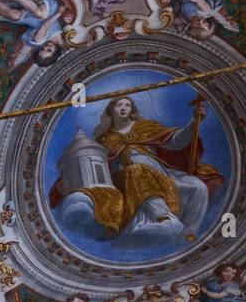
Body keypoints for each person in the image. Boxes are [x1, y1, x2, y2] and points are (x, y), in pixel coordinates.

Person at [49, 94, 225, 240]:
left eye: (127, 105)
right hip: (124, 177)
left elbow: (176, 141)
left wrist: (194, 123)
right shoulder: (105, 139)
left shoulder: (145, 127)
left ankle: (188, 233)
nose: (124, 108)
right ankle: (162, 217)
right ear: (111, 110)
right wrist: (62, 186)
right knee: (137, 171)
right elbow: (84, 163)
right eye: (119, 105)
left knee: (198, 187)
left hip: (160, 172)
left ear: (132, 109)